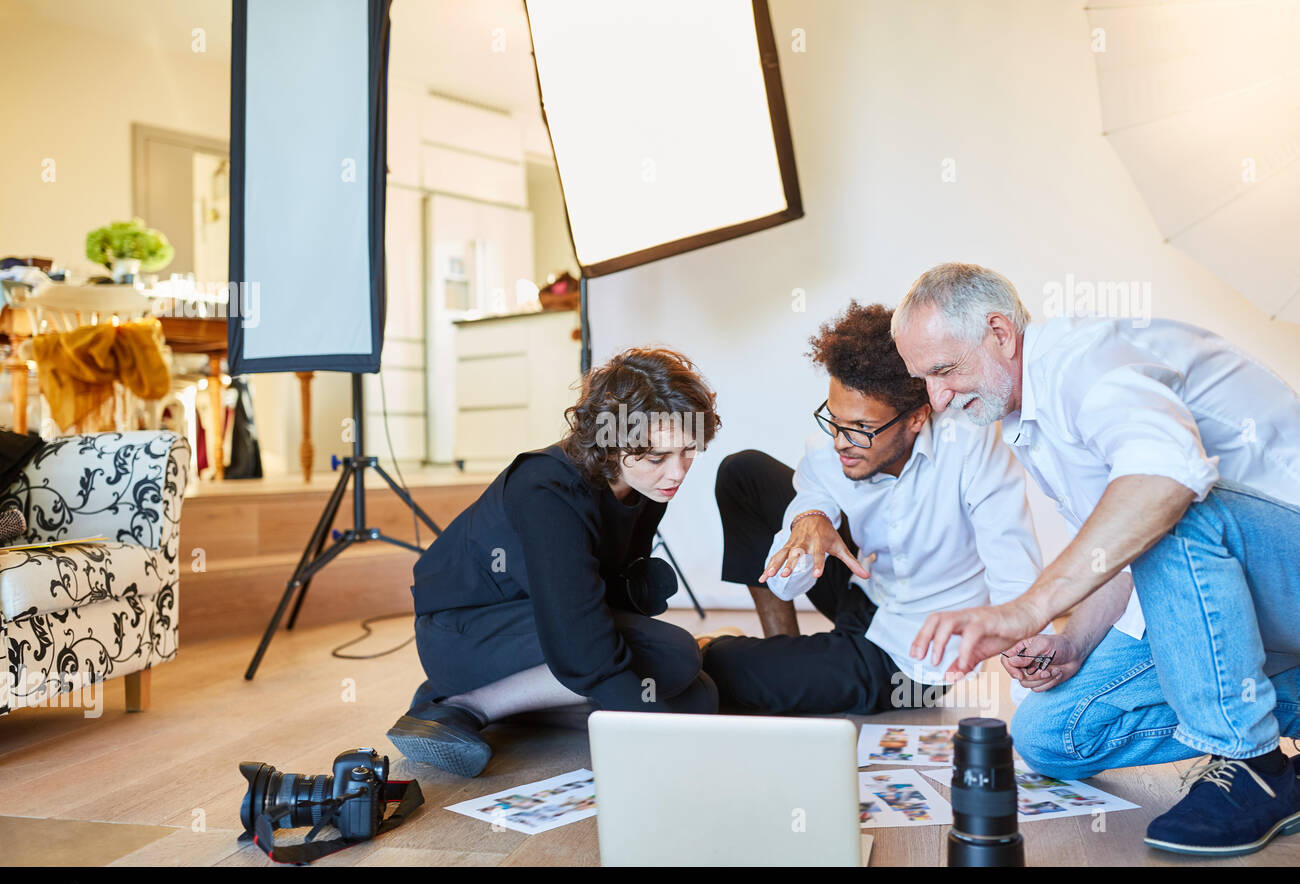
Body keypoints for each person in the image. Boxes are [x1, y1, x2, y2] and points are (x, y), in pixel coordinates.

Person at [892, 262, 1300, 856]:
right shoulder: (1023, 417)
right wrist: (1074, 642)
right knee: (1052, 734)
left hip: (1285, 564)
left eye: (944, 370)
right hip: (1243, 598)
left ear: (1001, 334)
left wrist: (1027, 610)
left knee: (1172, 504)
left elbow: (1164, 489)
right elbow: (1121, 549)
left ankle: (1254, 760)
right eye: (922, 379)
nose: (938, 398)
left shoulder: (1084, 363)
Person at [388, 347, 722, 778]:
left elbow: (599, 594)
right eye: (658, 458)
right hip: (463, 633)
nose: (677, 473)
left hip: (539, 623)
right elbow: (580, 638)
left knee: (700, 695)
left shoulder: (644, 485)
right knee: (673, 656)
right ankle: (463, 704)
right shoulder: (545, 487)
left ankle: (507, 704)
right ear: (610, 441)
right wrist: (650, 735)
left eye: (688, 451)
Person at [701, 301, 1047, 716]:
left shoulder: (972, 442)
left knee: (713, 668)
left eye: (862, 428)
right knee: (744, 472)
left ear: (917, 417)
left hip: (912, 655)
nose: (842, 441)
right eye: (835, 419)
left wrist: (1034, 705)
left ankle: (769, 661)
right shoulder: (828, 452)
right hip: (861, 586)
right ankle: (783, 649)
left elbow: (1015, 573)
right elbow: (783, 585)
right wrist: (807, 519)